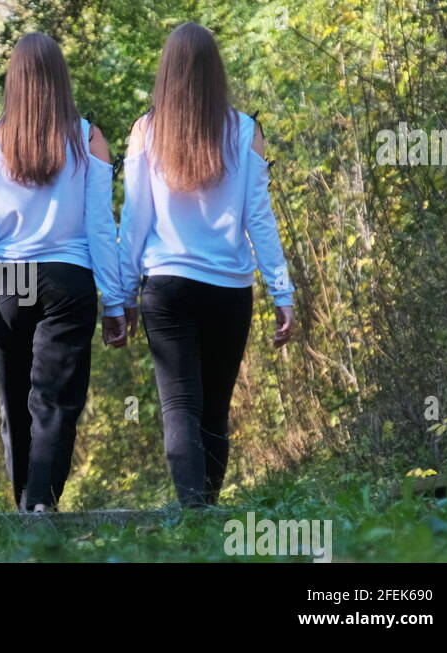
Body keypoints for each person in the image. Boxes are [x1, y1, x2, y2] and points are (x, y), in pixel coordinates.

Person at [119, 22, 296, 508]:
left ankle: (194, 512)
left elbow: (134, 221)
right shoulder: (246, 131)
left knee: (180, 406)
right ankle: (207, 513)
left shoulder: (146, 131)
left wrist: (118, 295)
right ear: (216, 71)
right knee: (215, 409)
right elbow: (260, 220)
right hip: (228, 289)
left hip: (167, 286)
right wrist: (283, 292)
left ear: (167, 72)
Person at [0, 32, 128, 513]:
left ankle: (26, 509)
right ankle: (40, 507)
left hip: (8, 279)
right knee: (55, 402)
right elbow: (101, 226)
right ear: (60, 78)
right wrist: (114, 299)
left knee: (14, 405)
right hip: (68, 277)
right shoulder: (88, 137)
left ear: (12, 80)